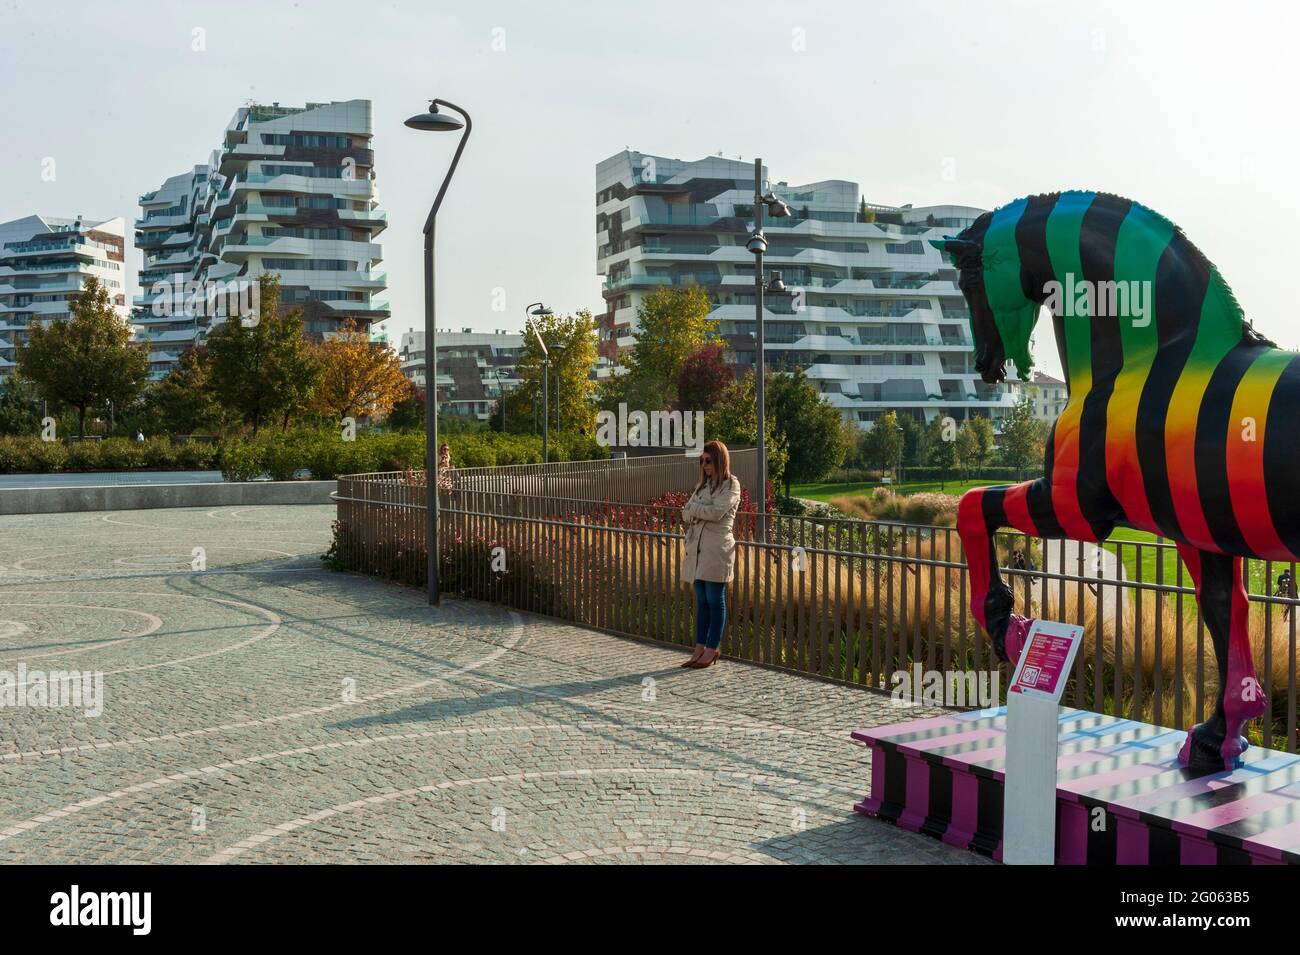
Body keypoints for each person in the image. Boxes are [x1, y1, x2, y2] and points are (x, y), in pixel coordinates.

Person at [679, 440, 741, 669]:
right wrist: (695, 511)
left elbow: (716, 513)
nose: (704, 465)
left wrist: (695, 510)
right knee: (702, 600)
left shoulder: (731, 484)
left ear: (719, 460)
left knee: (715, 599)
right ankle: (699, 647)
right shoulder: (702, 486)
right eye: (702, 461)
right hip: (697, 548)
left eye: (708, 460)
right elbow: (685, 513)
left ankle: (712, 648)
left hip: (717, 549)